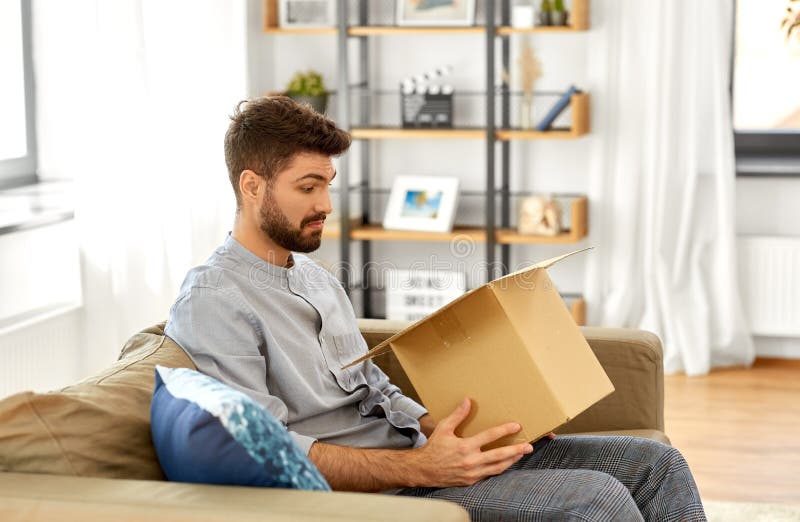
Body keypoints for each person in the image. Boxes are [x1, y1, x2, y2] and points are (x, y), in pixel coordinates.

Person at [165, 96, 706, 521]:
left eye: (328, 185)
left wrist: (459, 427)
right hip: (384, 490)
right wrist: (421, 464)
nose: (326, 205)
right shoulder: (215, 300)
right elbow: (268, 451)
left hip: (420, 457)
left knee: (658, 465)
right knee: (596, 500)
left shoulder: (313, 276)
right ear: (252, 186)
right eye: (307, 187)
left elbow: (371, 385)